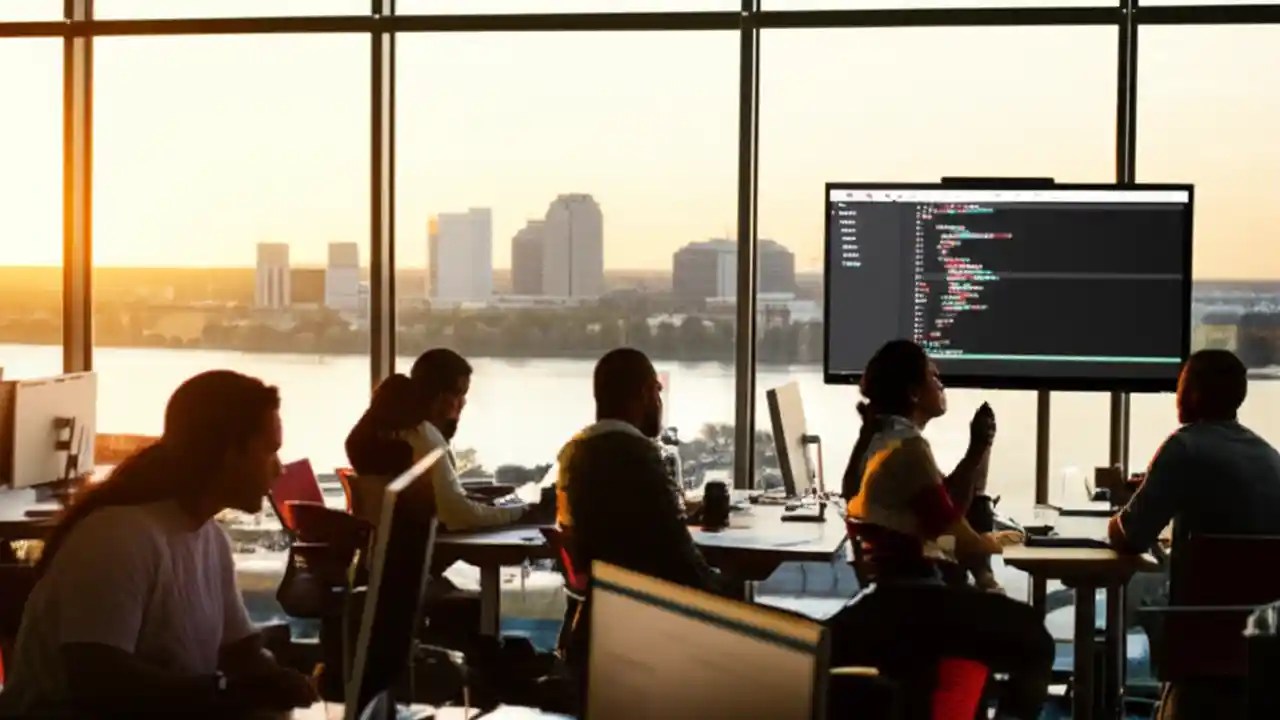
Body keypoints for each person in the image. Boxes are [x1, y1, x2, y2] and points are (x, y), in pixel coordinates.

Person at [0, 371, 316, 719]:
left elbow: (238, 648)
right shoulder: (118, 538)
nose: (280, 469)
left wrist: (273, 677)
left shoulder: (210, 540)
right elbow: (98, 683)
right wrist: (227, 691)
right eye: (270, 451)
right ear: (229, 451)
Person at [829, 340, 1052, 720]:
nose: (942, 383)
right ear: (914, 392)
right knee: (1035, 640)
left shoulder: (876, 439)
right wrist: (1002, 547)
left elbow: (937, 519)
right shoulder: (908, 448)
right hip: (915, 603)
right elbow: (958, 540)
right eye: (934, 376)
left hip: (888, 596)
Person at [1108, 349, 1280, 719]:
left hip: (1197, 640)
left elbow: (1130, 537)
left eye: (1180, 386)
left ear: (1195, 395)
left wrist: (1125, 506)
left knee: (1127, 594)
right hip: (1260, 648)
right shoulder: (1270, 457)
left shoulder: (1184, 446)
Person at [555, 349, 731, 679]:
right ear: (644, 394)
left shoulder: (573, 451)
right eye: (656, 390)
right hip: (656, 622)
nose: (659, 400)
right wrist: (735, 591)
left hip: (595, 622)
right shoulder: (638, 456)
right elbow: (680, 562)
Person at [345, 348, 528, 532]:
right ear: (440, 397)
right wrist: (520, 512)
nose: (463, 403)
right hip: (428, 549)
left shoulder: (392, 432)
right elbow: (458, 513)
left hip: (395, 546)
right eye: (460, 394)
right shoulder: (424, 438)